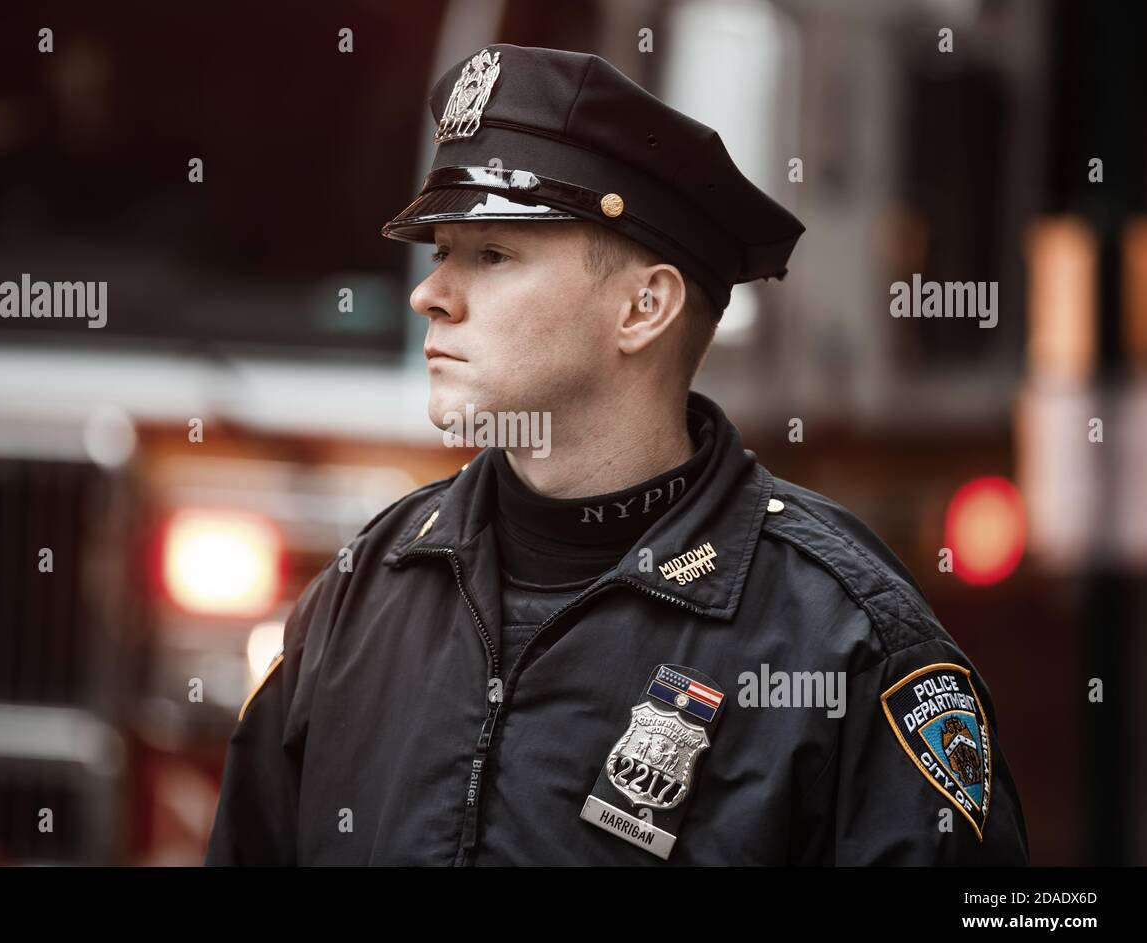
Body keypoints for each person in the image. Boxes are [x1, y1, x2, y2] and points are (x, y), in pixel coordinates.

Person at [205, 43, 1029, 865]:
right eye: (439, 252)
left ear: (644, 307)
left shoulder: (846, 640)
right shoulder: (357, 593)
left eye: (491, 255)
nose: (431, 294)